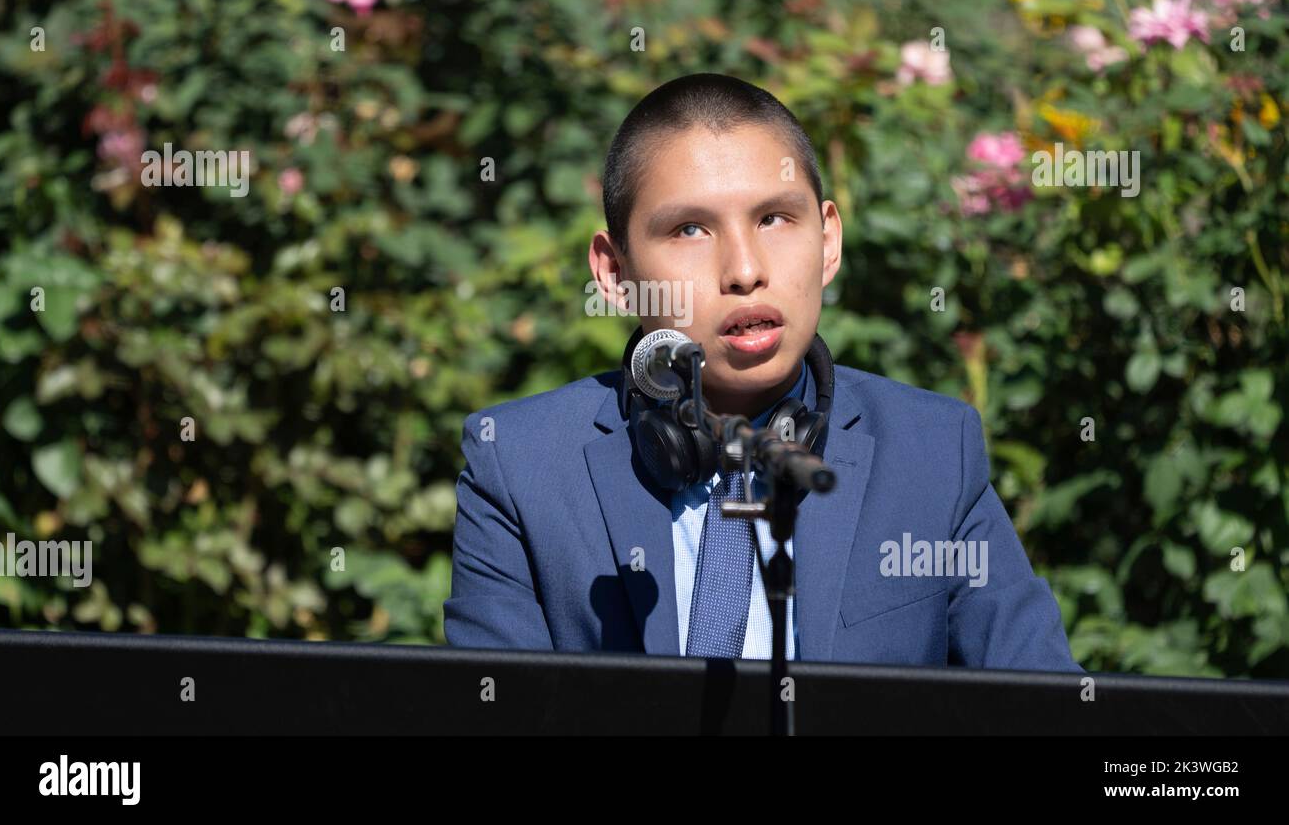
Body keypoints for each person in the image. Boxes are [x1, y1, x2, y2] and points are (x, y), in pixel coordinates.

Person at [444, 72, 1081, 672]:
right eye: (690, 229)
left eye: (775, 218)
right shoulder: (518, 464)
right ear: (615, 274)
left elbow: (1043, 710)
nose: (745, 269)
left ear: (828, 241)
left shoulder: (934, 450)